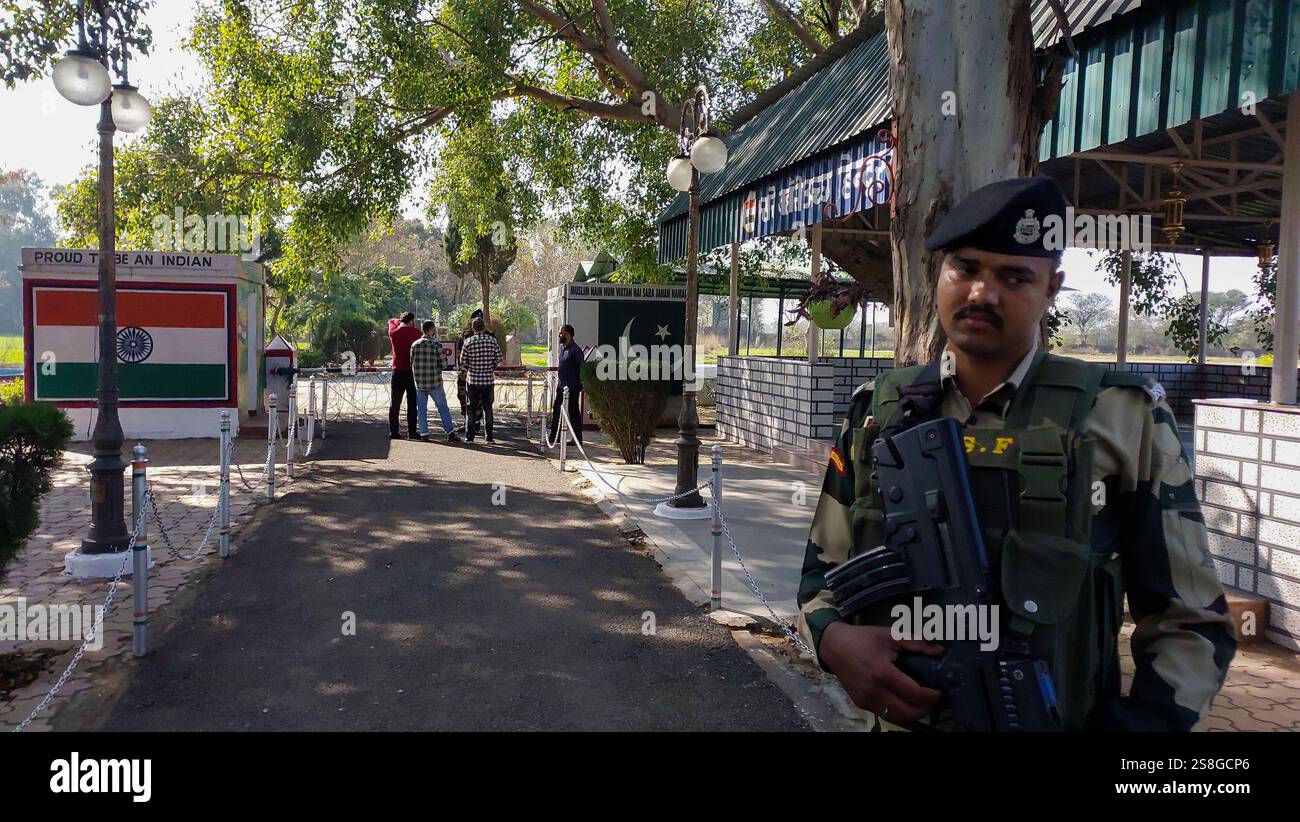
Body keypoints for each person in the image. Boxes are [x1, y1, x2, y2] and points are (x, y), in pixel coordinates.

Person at [796, 176, 1236, 732]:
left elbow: (1191, 622)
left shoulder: (1122, 416)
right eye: (968, 269)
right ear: (941, 274)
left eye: (1013, 276)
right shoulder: (876, 411)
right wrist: (833, 639)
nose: (983, 293)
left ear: (1051, 288)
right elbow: (822, 573)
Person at [410, 320, 461, 443]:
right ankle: (450, 433)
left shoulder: (414, 345)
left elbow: (411, 362)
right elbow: (444, 365)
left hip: (420, 382)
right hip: (435, 382)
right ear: (432, 330)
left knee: (421, 409)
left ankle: (424, 433)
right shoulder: (436, 345)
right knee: (442, 408)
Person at [460, 316, 503, 443]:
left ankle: (470, 437)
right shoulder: (492, 341)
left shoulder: (468, 342)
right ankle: (489, 437)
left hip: (473, 380)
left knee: (471, 408)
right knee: (487, 408)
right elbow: (499, 358)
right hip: (488, 380)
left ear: (473, 328)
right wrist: (491, 365)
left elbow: (462, 361)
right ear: (484, 327)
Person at [387, 312, 423, 440]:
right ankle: (412, 431)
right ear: (412, 321)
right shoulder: (417, 333)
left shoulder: (393, 333)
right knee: (412, 403)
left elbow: (391, 321)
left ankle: (394, 431)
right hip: (412, 371)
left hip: (397, 371)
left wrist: (400, 322)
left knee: (395, 403)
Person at [548, 324, 584, 445]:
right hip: (561, 386)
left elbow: (582, 368)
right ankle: (554, 437)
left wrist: (580, 384)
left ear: (568, 334)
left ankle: (577, 439)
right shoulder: (562, 348)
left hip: (572, 387)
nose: (560, 335)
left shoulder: (575, 350)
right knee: (556, 410)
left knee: (573, 412)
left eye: (561, 333)